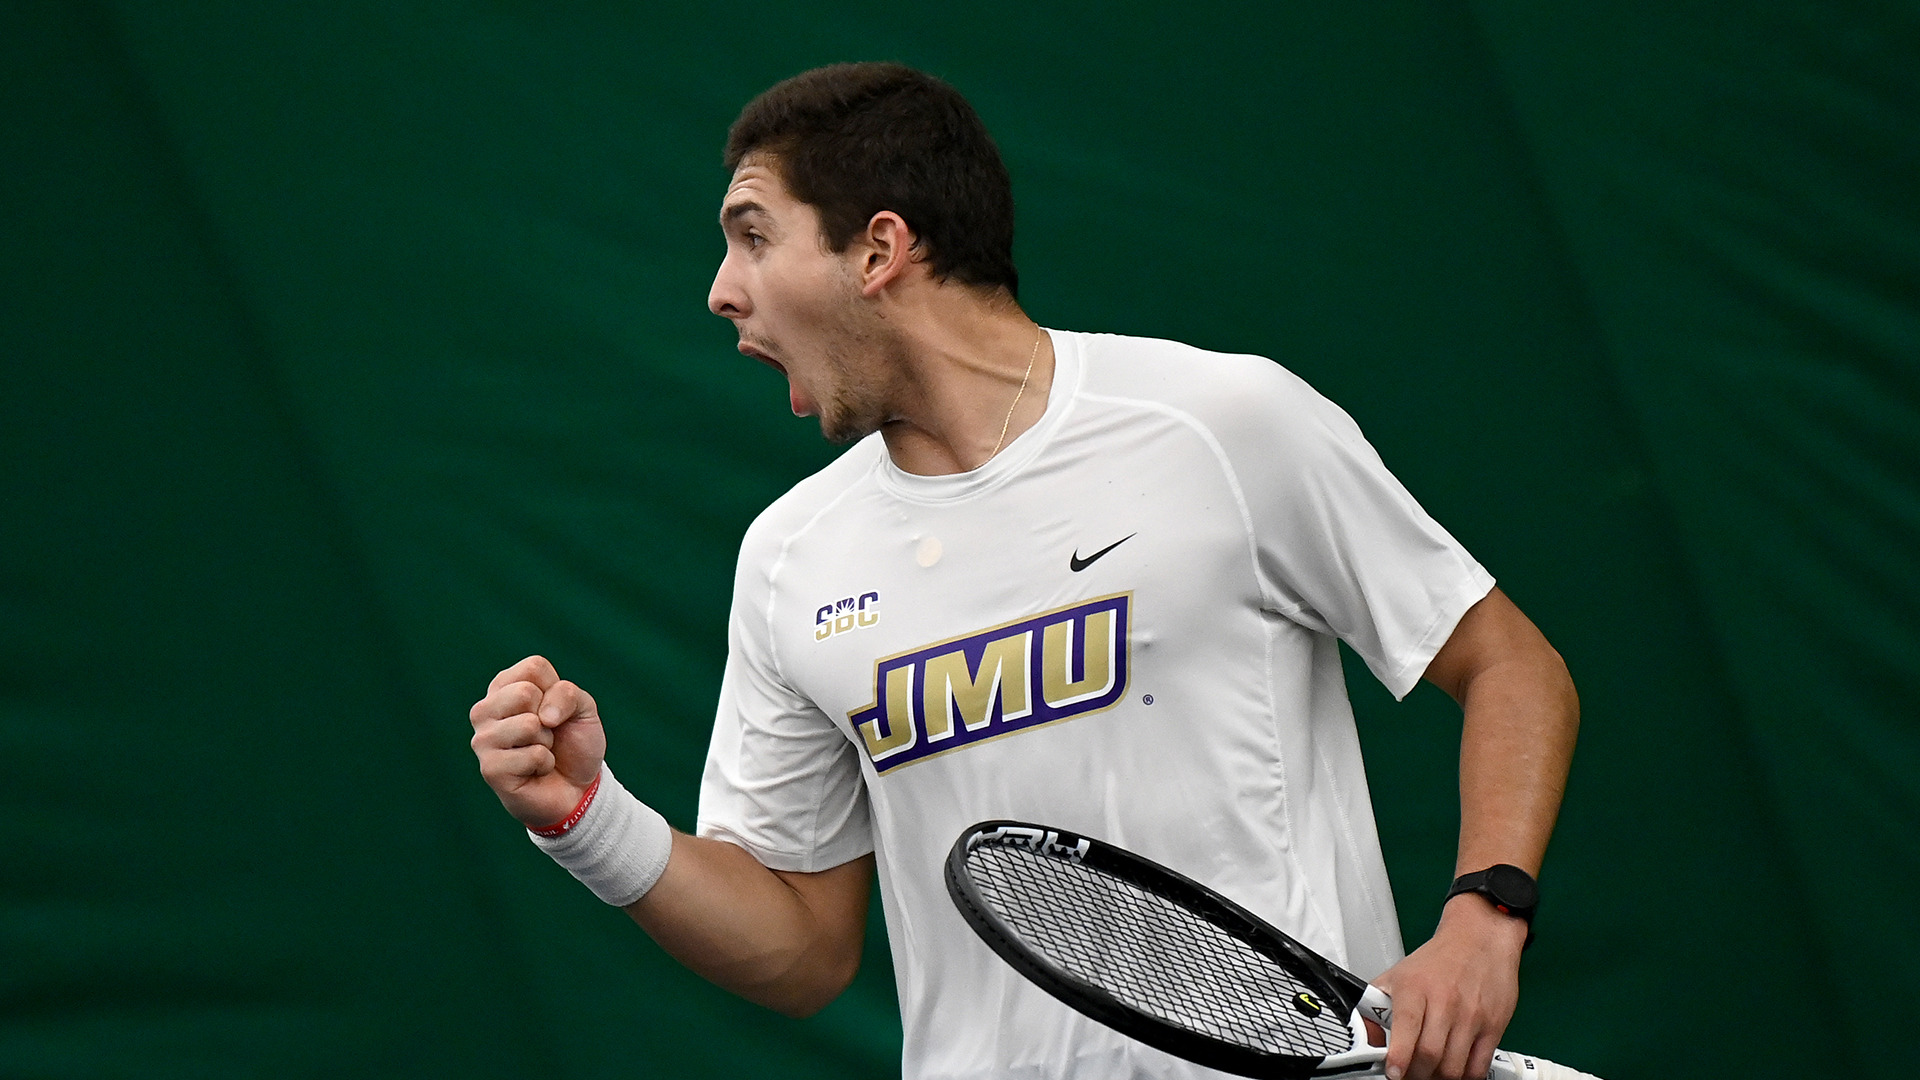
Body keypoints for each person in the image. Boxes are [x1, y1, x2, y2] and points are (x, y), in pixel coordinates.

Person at [468, 62, 1578, 1080]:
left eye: (753, 236)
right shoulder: (790, 560)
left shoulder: (1225, 426)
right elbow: (801, 950)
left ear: (878, 249)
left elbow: (1510, 667)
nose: (721, 289)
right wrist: (587, 818)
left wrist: (1484, 922)